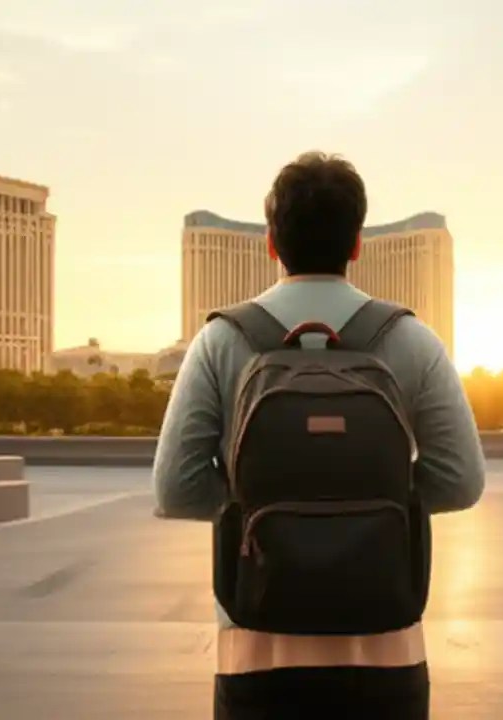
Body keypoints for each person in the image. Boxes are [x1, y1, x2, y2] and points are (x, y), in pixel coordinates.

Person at [153, 151, 485, 719]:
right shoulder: (413, 340)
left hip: (256, 648)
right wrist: (379, 505)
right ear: (357, 243)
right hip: (386, 647)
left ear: (271, 242)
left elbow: (175, 489)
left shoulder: (220, 341)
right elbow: (462, 481)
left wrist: (254, 509)